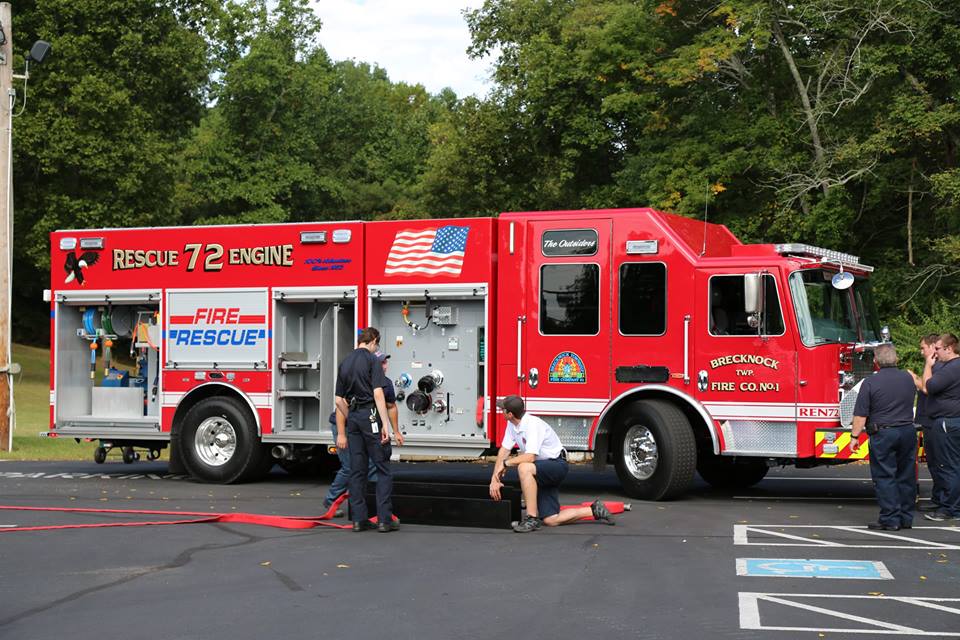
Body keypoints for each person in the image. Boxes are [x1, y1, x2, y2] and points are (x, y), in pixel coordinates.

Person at [489, 395, 614, 532]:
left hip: (556, 465)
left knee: (524, 467)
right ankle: (594, 510)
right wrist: (494, 479)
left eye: (502, 409)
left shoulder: (532, 425)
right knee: (551, 520)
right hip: (541, 469)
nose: (501, 411)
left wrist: (506, 463)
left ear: (510, 414)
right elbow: (504, 450)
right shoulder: (512, 425)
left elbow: (530, 457)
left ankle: (531, 519)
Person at [334, 328, 402, 532]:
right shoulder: (372, 360)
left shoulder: (345, 362)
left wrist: (352, 417)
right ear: (373, 341)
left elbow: (338, 400)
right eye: (377, 345)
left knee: (357, 470)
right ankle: (384, 520)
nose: (376, 348)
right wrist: (384, 424)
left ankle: (358, 519)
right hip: (371, 414)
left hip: (354, 416)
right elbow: (378, 393)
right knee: (383, 468)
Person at [322, 351, 401, 514]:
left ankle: (365, 505)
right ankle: (331, 501)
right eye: (380, 363)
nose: (384, 366)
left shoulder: (386, 384)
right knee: (350, 466)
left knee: (370, 465)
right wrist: (342, 434)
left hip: (364, 426)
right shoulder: (359, 381)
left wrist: (396, 431)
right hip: (345, 424)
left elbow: (391, 407)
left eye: (385, 362)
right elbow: (340, 407)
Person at [850, 344, 917, 530]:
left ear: (875, 361)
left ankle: (890, 518)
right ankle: (906, 518)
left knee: (885, 476)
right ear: (897, 359)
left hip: (883, 433)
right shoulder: (908, 378)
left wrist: (854, 436)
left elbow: (861, 414)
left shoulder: (870, 382)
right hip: (907, 430)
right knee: (906, 475)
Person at [921, 333, 960, 522]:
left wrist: (928, 365)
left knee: (947, 466)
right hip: (952, 421)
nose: (934, 353)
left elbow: (929, 387)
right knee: (953, 465)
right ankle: (951, 504)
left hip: (947, 423)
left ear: (949, 348)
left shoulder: (951, 368)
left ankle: (950, 508)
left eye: (937, 349)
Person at [911, 334, 947, 512]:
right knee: (933, 462)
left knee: (940, 462)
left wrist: (914, 378)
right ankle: (938, 497)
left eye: (923, 348)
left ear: (933, 347)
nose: (921, 351)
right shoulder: (934, 366)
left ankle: (944, 500)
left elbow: (927, 388)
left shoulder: (939, 367)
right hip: (928, 420)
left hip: (934, 421)